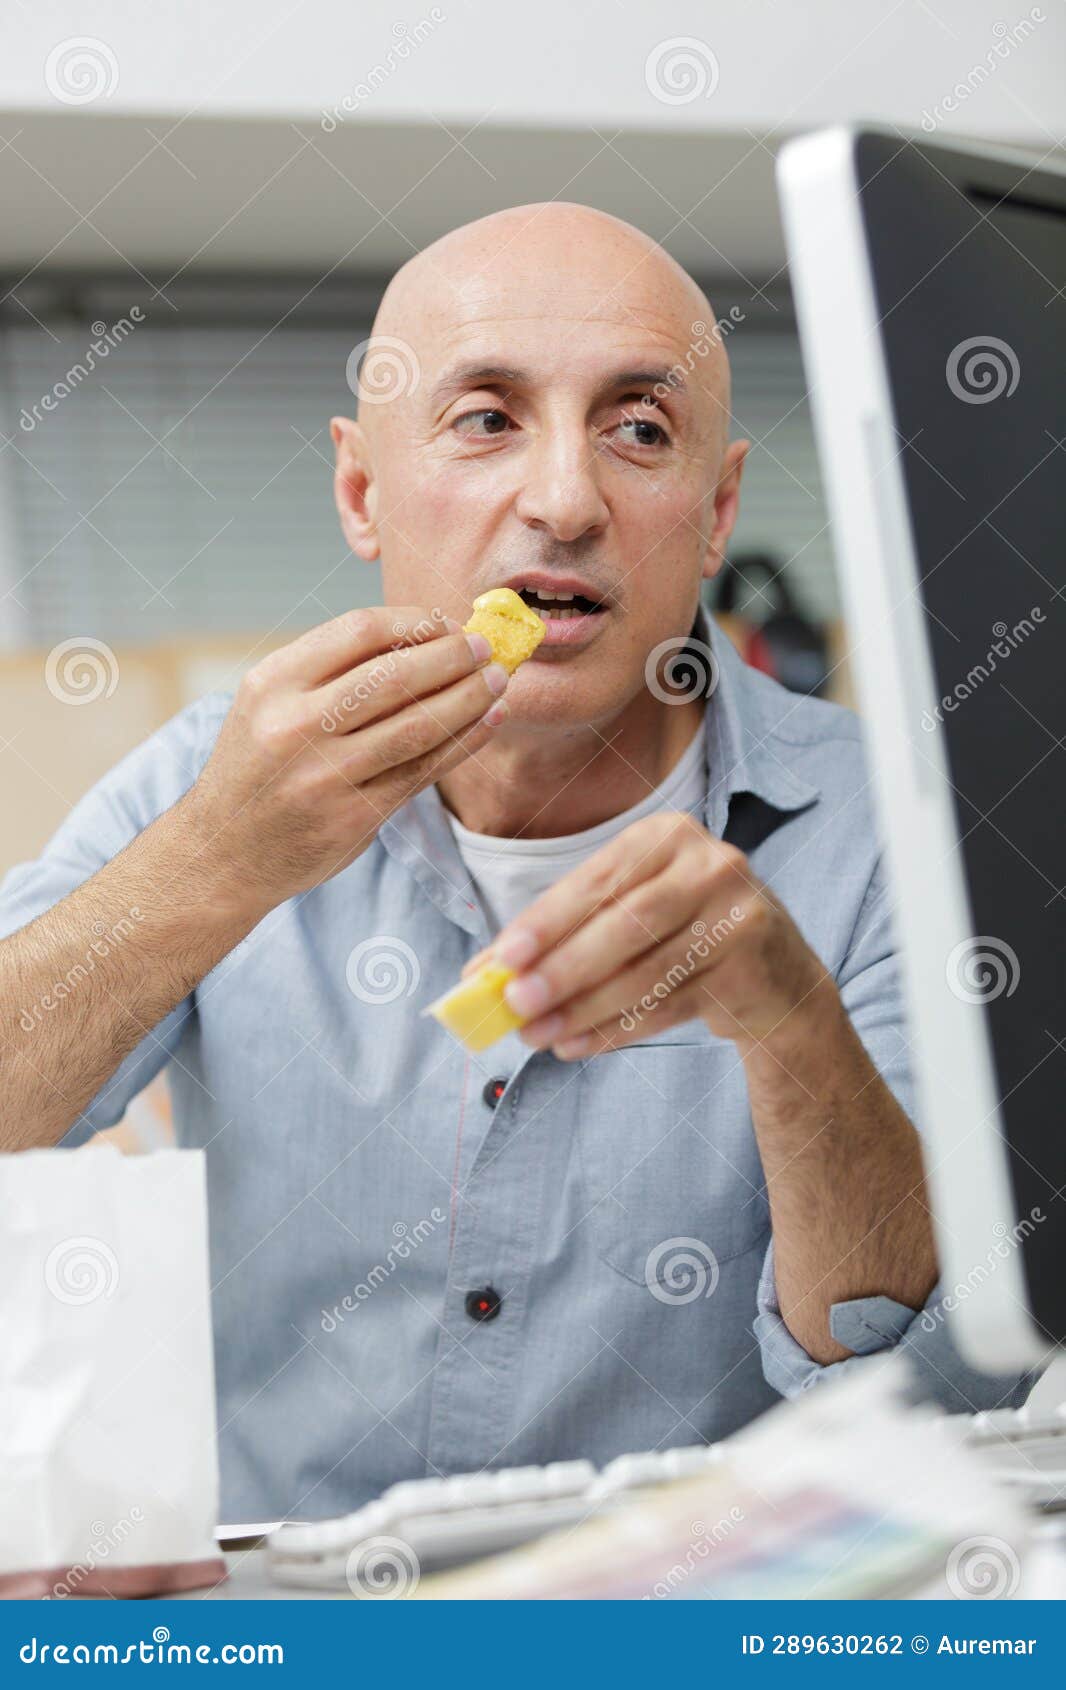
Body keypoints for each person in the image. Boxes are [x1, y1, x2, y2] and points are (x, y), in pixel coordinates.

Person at [0, 204, 1029, 1521]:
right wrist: (211, 859)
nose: (562, 501)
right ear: (361, 490)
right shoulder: (211, 776)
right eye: (485, 418)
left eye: (638, 430)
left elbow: (928, 1391)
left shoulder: (897, 829)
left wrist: (786, 1020)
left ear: (715, 515)